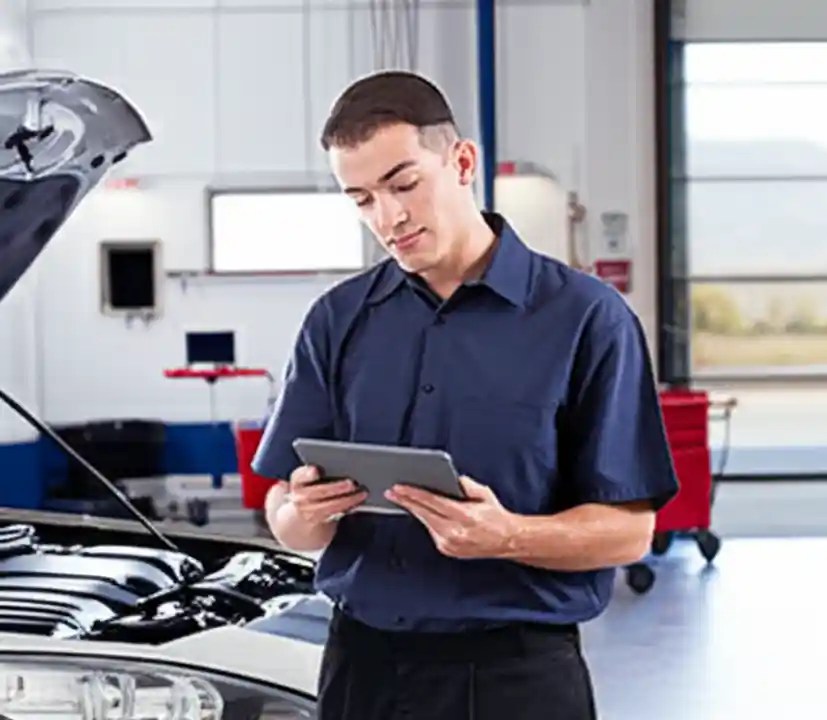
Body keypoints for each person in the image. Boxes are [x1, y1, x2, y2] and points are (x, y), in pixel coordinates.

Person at [250, 70, 680, 720]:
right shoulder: (336, 320)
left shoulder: (586, 319)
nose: (388, 218)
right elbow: (284, 514)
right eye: (361, 198)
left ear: (462, 162)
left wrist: (508, 536)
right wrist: (304, 517)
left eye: (404, 184)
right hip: (359, 671)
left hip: (516, 678)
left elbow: (628, 534)